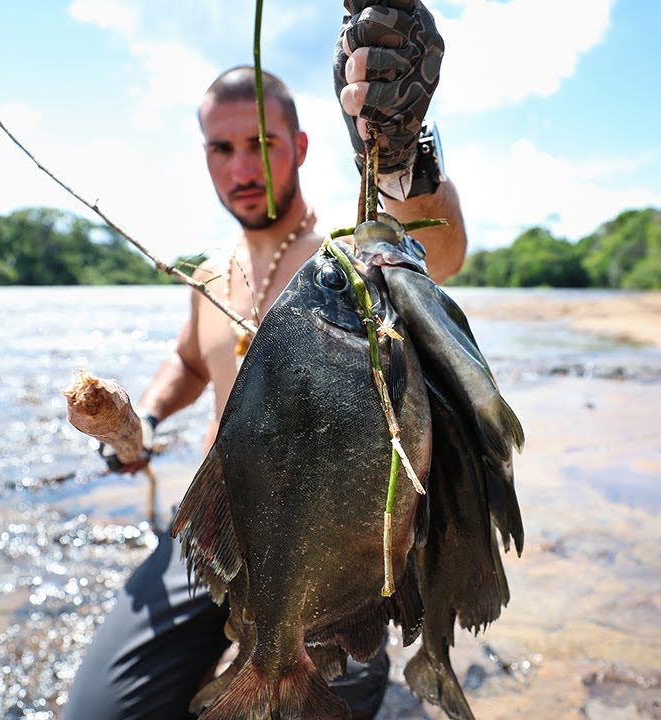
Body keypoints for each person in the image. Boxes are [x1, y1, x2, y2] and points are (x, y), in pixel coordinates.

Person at [63, 2, 465, 718]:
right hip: (216, 532)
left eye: (261, 142)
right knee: (100, 712)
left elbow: (439, 246)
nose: (243, 167)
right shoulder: (211, 274)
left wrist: (400, 154)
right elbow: (189, 364)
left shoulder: (351, 254)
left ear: (302, 144)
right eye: (222, 149)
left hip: (335, 534)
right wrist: (147, 417)